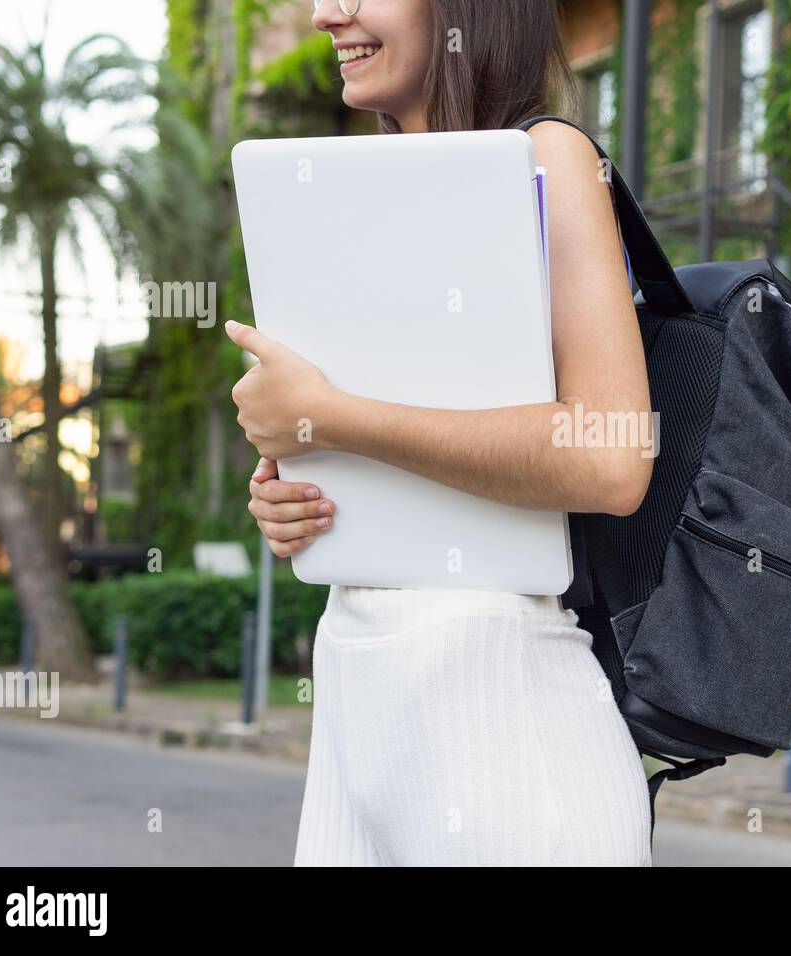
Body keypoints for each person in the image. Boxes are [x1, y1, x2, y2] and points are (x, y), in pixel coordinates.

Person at [225, 0, 655, 865]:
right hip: (361, 690)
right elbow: (399, 437)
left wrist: (331, 415)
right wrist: (295, 496)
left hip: (503, 717)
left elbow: (613, 458)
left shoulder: (548, 157)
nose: (325, 13)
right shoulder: (363, 194)